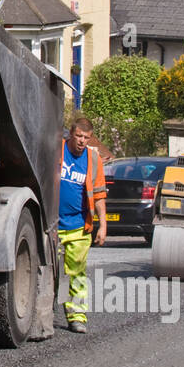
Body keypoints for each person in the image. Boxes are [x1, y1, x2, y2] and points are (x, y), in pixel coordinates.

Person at [59, 116, 107, 334]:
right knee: (48, 273)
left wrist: (103, 225)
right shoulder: (56, 150)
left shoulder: (93, 160)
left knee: (76, 273)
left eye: (86, 138)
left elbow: (99, 194)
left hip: (79, 226)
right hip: (51, 225)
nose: (81, 141)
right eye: (78, 136)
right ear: (71, 133)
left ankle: (77, 316)